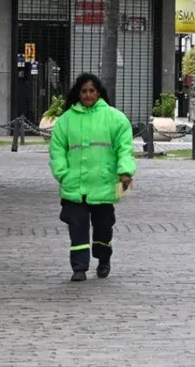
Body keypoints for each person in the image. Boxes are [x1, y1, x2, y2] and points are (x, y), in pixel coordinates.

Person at [48, 73, 136, 282]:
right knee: (77, 227)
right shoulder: (65, 121)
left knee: (103, 228)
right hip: (75, 186)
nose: (88, 95)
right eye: (84, 91)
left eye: (92, 91)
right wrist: (61, 173)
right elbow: (57, 149)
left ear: (99, 92)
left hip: (104, 185)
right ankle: (79, 268)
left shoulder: (115, 118)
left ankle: (103, 258)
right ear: (78, 93)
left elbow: (125, 148)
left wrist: (125, 172)